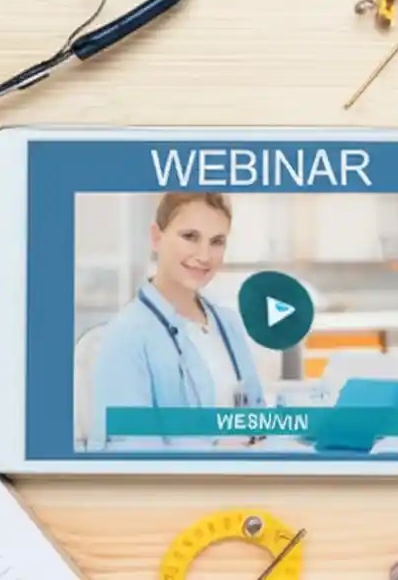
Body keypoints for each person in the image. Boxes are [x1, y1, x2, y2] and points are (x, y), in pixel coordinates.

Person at [85, 192, 266, 451]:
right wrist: (216, 451)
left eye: (217, 242)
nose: (204, 255)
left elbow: (258, 419)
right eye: (190, 237)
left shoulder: (229, 325)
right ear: (156, 237)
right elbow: (131, 449)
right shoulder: (126, 336)